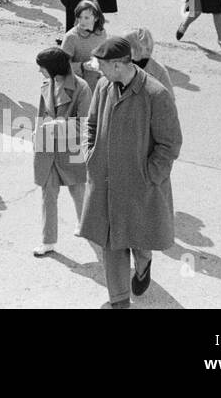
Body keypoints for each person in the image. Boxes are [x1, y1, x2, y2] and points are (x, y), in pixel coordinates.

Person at [80, 37, 183, 309]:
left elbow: (170, 144)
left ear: (117, 65)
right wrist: (91, 155)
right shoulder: (103, 86)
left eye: (101, 64)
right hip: (105, 182)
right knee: (110, 242)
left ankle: (144, 261)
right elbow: (90, 125)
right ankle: (119, 301)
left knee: (135, 238)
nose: (97, 69)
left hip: (139, 187)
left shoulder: (156, 94)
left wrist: (150, 175)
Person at [31, 46, 92, 257]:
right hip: (47, 148)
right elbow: (40, 117)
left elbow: (85, 125)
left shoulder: (82, 88)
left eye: (42, 67)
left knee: (77, 190)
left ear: (53, 67)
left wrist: (57, 126)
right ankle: (48, 241)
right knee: (48, 194)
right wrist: (36, 136)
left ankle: (86, 226)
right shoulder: (46, 85)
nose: (40, 71)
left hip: (71, 149)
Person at [61, 0, 107, 86]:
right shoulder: (71, 37)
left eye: (86, 18)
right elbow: (62, 66)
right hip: (78, 87)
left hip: (98, 84)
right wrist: (82, 66)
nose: (82, 21)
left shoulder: (102, 33)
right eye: (80, 17)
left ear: (96, 18)